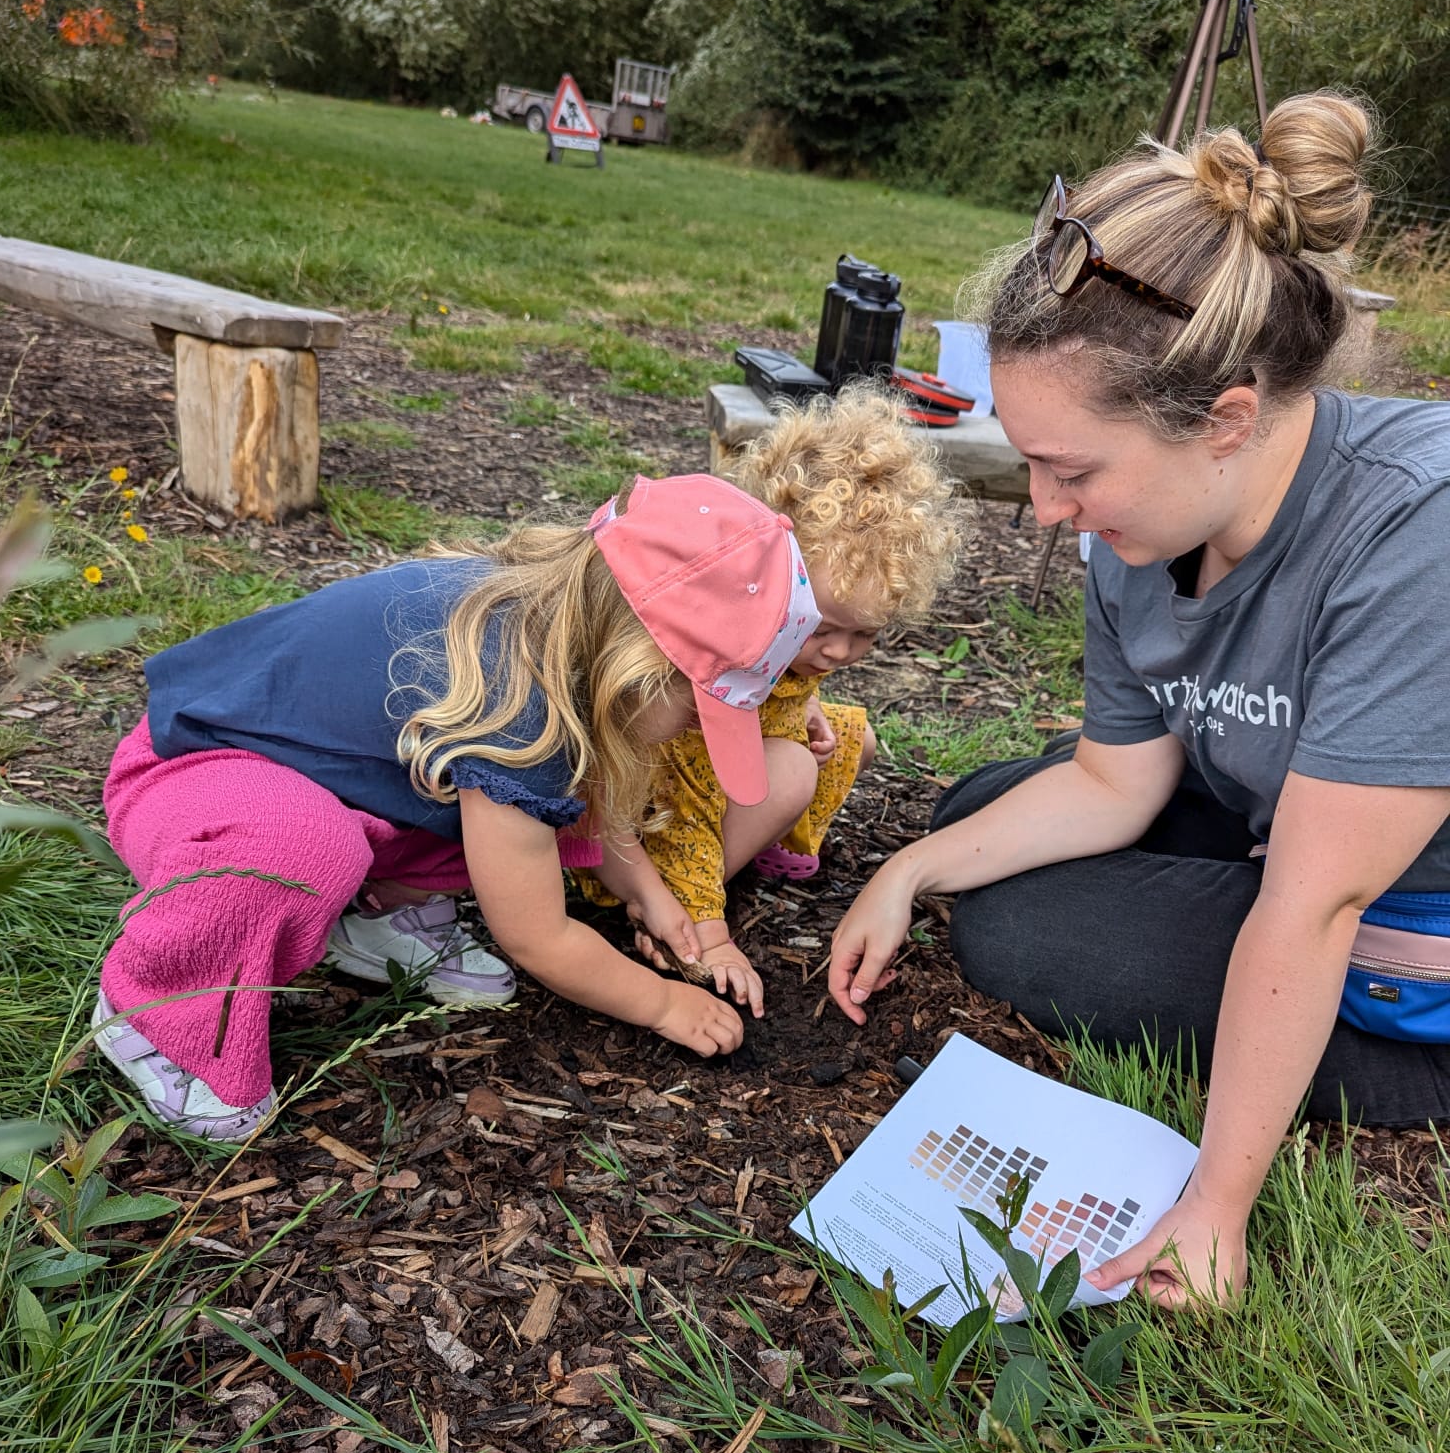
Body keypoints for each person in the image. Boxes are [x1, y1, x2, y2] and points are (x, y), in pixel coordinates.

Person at [828, 90, 1450, 1310]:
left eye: (1072, 472)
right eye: (1029, 464)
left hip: (1408, 920)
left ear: (1225, 421)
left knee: (1026, 931)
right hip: (1283, 818)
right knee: (979, 812)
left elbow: (1319, 903)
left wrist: (1211, 1212)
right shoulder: (1141, 536)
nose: (1046, 510)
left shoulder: (1416, 530)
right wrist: (903, 871)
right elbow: (1118, 778)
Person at [93, 473, 825, 1140]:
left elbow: (580, 804)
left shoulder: (553, 629)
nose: (693, 732)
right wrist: (664, 1005)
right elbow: (536, 938)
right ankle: (160, 1010)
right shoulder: (520, 705)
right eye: (696, 711)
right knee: (309, 848)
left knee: (528, 813)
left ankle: (370, 915)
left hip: (331, 779)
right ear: (639, 664)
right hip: (191, 771)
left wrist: (652, 896)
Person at [575, 387, 967, 1012]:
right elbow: (687, 790)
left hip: (711, 778)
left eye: (865, 635)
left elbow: (794, 691)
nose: (839, 652)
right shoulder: (720, 662)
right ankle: (668, 906)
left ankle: (754, 847)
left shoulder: (789, 631)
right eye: (823, 629)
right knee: (790, 774)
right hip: (635, 817)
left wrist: (802, 703)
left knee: (851, 741)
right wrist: (708, 930)